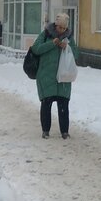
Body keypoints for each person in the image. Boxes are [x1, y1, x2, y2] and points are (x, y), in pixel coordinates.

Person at [31, 11, 78, 139]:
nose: (62, 30)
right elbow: (36, 49)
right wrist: (52, 44)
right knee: (46, 103)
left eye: (64, 28)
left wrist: (66, 47)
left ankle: (64, 132)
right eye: (60, 27)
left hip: (63, 77)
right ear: (55, 25)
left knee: (64, 105)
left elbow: (76, 54)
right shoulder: (46, 34)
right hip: (46, 76)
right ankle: (45, 130)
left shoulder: (69, 38)